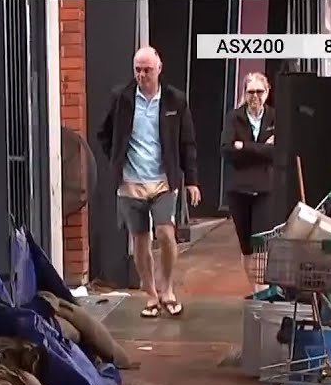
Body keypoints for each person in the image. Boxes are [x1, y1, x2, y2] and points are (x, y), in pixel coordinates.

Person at [97, 46, 200, 318]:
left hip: (164, 180)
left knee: (166, 234)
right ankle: (151, 294)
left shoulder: (175, 101)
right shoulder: (121, 98)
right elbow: (104, 133)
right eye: (138, 70)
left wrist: (192, 180)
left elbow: (187, 142)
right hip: (131, 181)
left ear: (159, 68)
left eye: (147, 70)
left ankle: (167, 288)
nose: (142, 75)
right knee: (140, 240)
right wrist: (117, 160)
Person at [221, 72, 276, 288]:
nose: (255, 96)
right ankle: (254, 289)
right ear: (244, 93)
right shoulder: (233, 117)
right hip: (239, 190)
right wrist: (263, 148)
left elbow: (278, 152)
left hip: (265, 189)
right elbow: (226, 150)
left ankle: (261, 290)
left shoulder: (275, 117)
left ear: (267, 92)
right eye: (250, 92)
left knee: (261, 241)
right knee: (246, 245)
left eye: (259, 92)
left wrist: (244, 147)